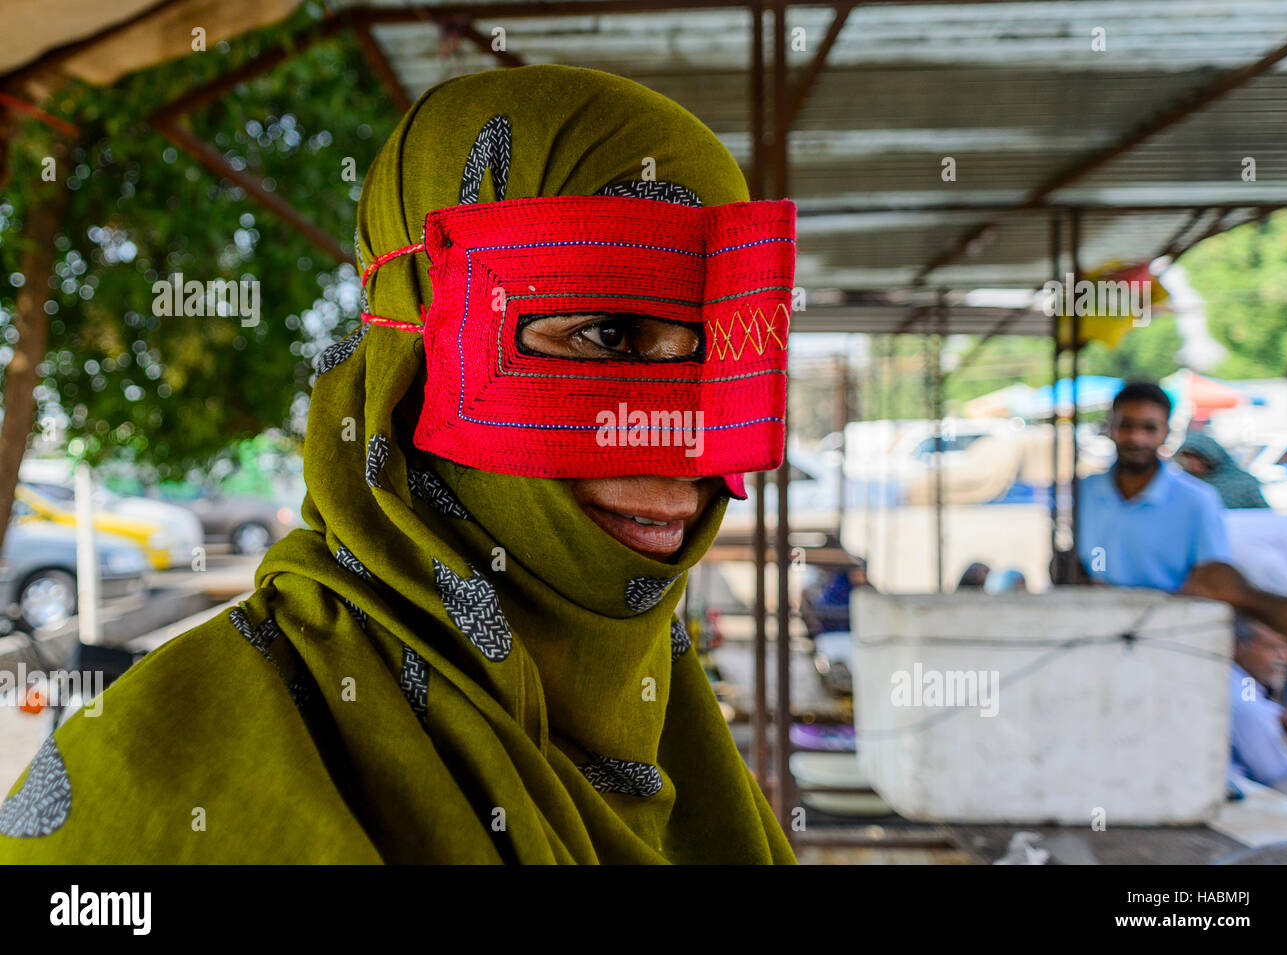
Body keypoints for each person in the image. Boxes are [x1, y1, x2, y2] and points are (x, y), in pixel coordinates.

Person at [0, 66, 798, 864]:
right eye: (608, 335)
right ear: (412, 351)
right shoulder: (155, 796)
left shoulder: (691, 766)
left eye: (717, 356)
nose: (683, 436)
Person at [1074, 380, 1287, 642]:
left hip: (1173, 637)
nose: (1136, 438)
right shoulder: (1084, 493)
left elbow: (1209, 581)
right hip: (1097, 631)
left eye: (1149, 428)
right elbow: (1079, 566)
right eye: (1127, 426)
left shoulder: (1198, 500)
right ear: (1111, 428)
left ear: (1165, 432)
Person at [1228, 613, 1287, 796]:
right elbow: (1280, 778)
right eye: (1274, 648)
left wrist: (1279, 715)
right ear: (1238, 648)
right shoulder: (1244, 700)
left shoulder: (1244, 681)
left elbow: (1258, 707)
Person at [1174, 430, 1270, 509]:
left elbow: (1264, 516)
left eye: (1197, 457)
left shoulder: (1243, 484)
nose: (1193, 463)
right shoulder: (1185, 485)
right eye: (1188, 458)